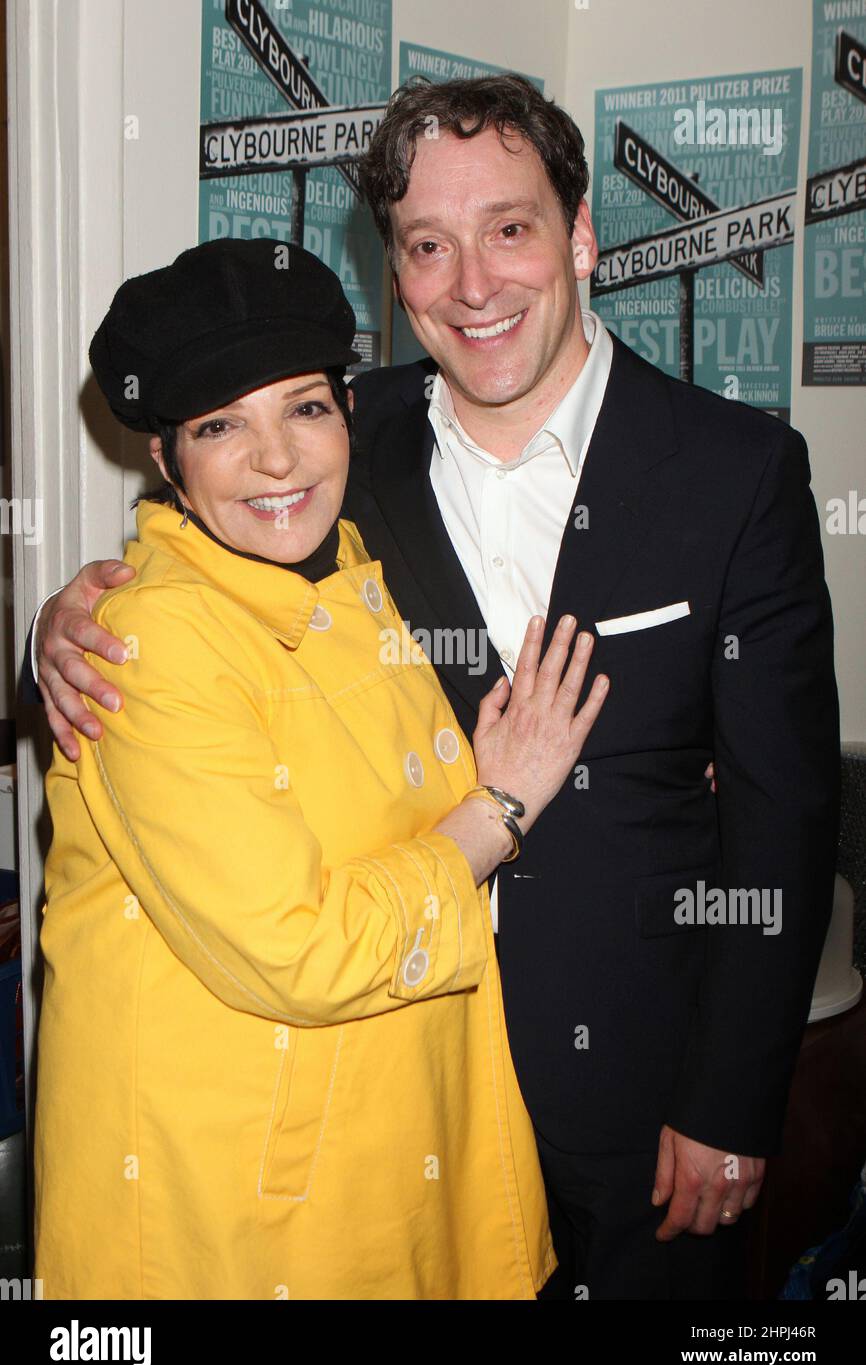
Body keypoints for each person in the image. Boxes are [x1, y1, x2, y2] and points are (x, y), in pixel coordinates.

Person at [27, 75, 840, 1300]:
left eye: (508, 229)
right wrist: (55, 622)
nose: (471, 284)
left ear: (577, 236)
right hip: (399, 1089)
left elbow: (781, 816)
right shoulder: (339, 441)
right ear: (394, 275)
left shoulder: (736, 469)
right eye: (426, 246)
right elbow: (205, 533)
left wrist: (731, 1099)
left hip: (644, 1087)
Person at [31, 237, 610, 1300]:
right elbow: (300, 949)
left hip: (383, 1154)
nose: (277, 460)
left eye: (303, 407)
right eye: (220, 427)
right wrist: (500, 804)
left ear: (348, 409)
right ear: (164, 460)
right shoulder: (145, 645)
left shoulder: (348, 563)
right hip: (239, 1209)